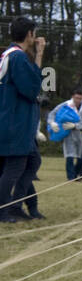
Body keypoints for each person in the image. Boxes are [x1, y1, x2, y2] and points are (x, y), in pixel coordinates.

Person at [0, 17, 45, 223]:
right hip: (15, 121)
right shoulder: (18, 57)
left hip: (9, 117)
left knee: (27, 163)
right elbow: (32, 88)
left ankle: (19, 205)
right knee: (16, 167)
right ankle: (7, 209)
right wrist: (39, 56)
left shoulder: (6, 55)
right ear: (29, 34)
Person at [50, 88, 82, 181]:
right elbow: (53, 113)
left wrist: (76, 125)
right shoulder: (66, 104)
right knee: (69, 155)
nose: (78, 100)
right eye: (76, 98)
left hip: (81, 132)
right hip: (68, 132)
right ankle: (70, 177)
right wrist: (52, 122)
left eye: (80, 98)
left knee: (81, 157)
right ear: (72, 97)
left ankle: (75, 174)